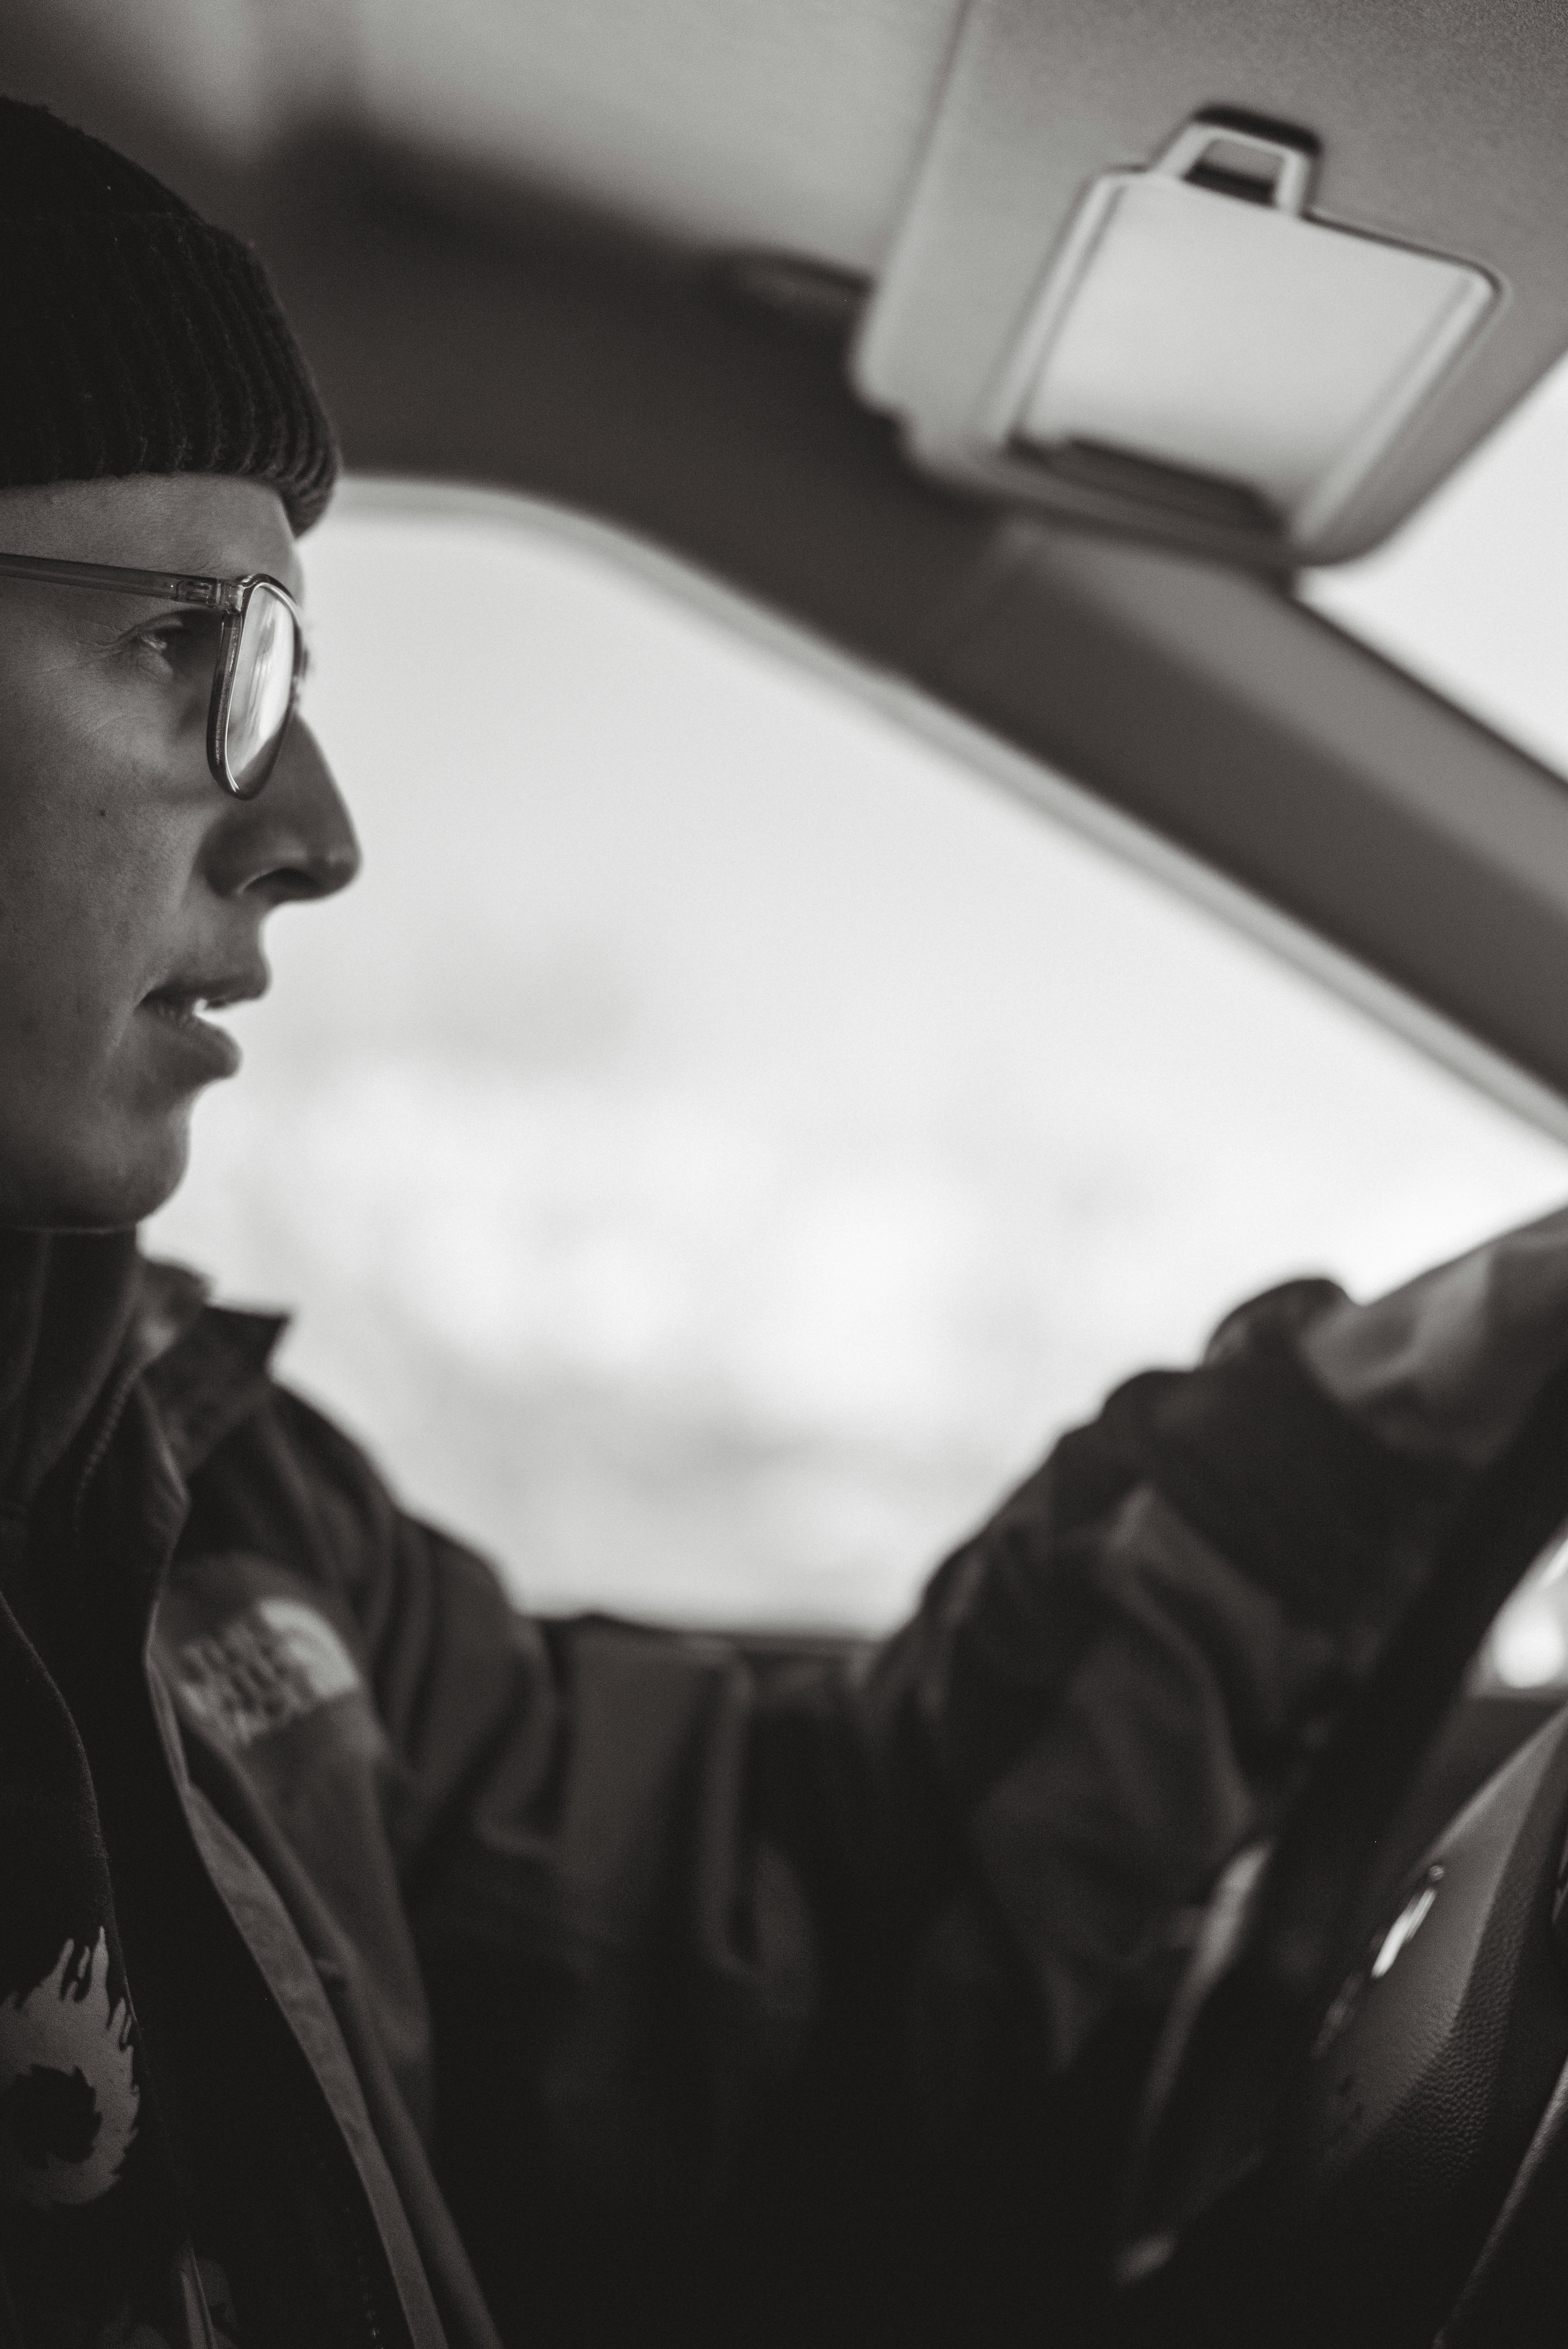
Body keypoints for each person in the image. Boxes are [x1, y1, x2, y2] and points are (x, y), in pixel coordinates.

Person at [2, 92, 1566, 2349]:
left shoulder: (178, 1488)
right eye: (193, 646)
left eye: (297, 678)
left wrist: (1350, 1436)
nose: (318, 831)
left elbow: (752, 1945)